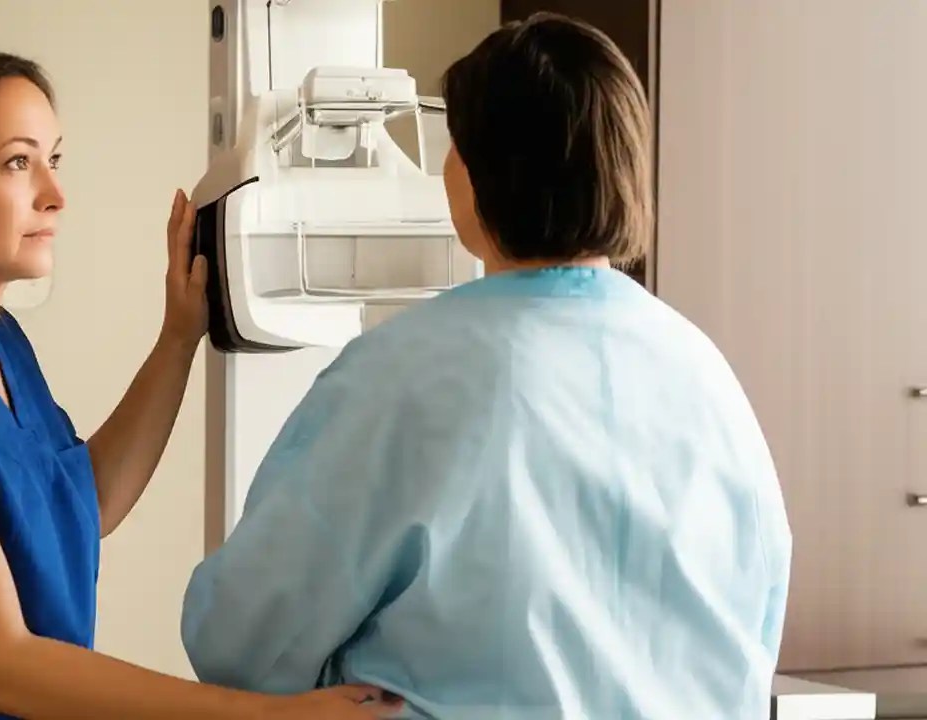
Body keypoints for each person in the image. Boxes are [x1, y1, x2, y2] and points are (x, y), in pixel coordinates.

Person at [0, 44, 403, 720]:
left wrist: (177, 340)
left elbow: (81, 507)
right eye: (17, 162)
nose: (55, 194)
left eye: (53, 160)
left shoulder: (0, 343)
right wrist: (267, 715)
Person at [180, 12, 793, 720]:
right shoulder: (706, 375)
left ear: (476, 173)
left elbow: (243, 638)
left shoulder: (404, 374)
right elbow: (753, 627)